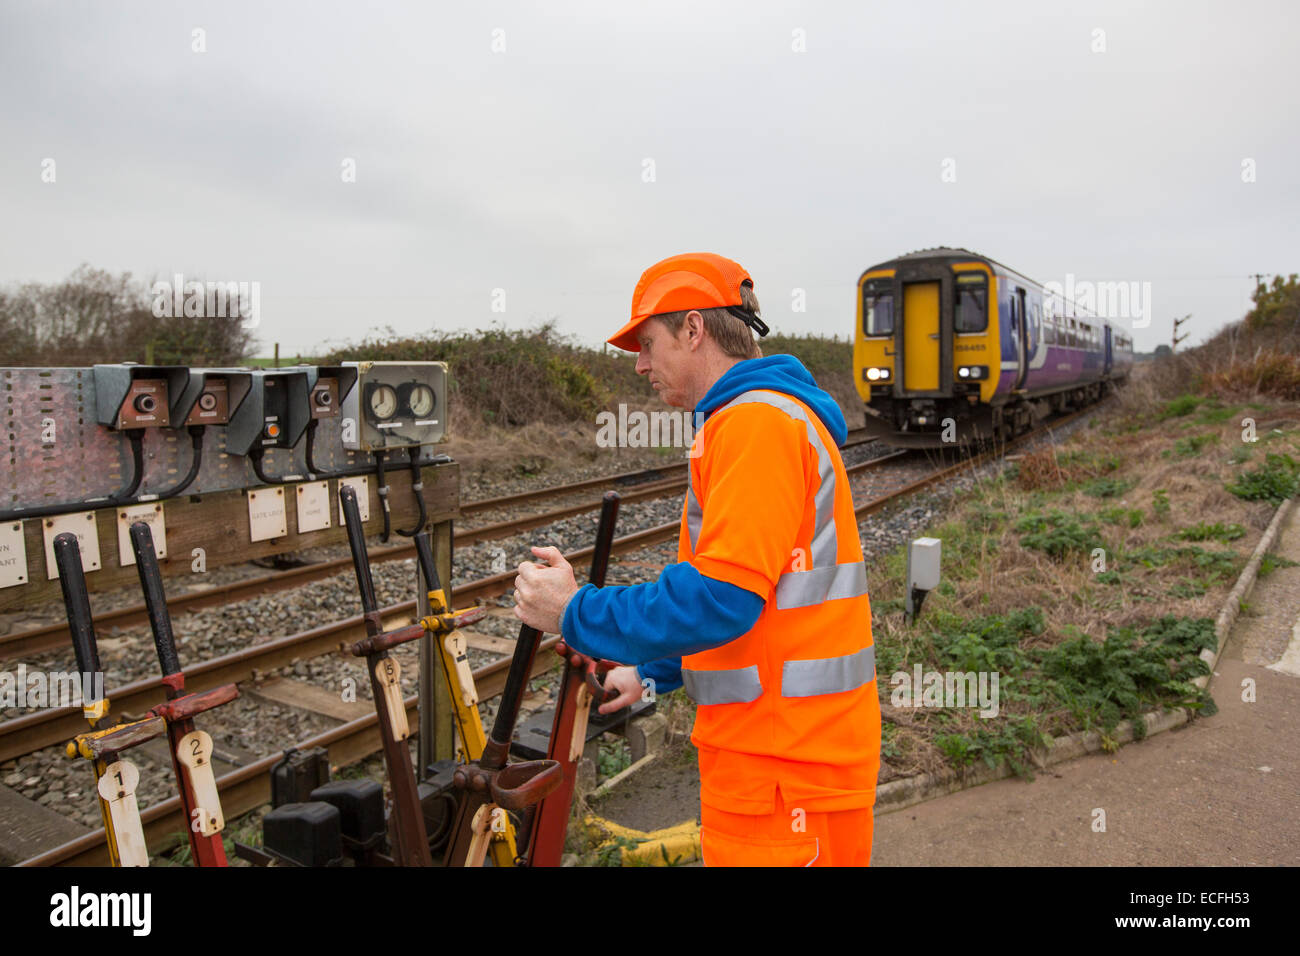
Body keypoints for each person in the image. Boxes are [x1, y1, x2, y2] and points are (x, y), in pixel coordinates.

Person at [513, 252, 880, 866]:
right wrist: (654, 670)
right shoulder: (762, 418)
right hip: (787, 765)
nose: (640, 365)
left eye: (648, 343)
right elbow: (763, 605)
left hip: (780, 778)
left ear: (693, 329)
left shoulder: (755, 425)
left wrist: (575, 610)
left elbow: (718, 599)